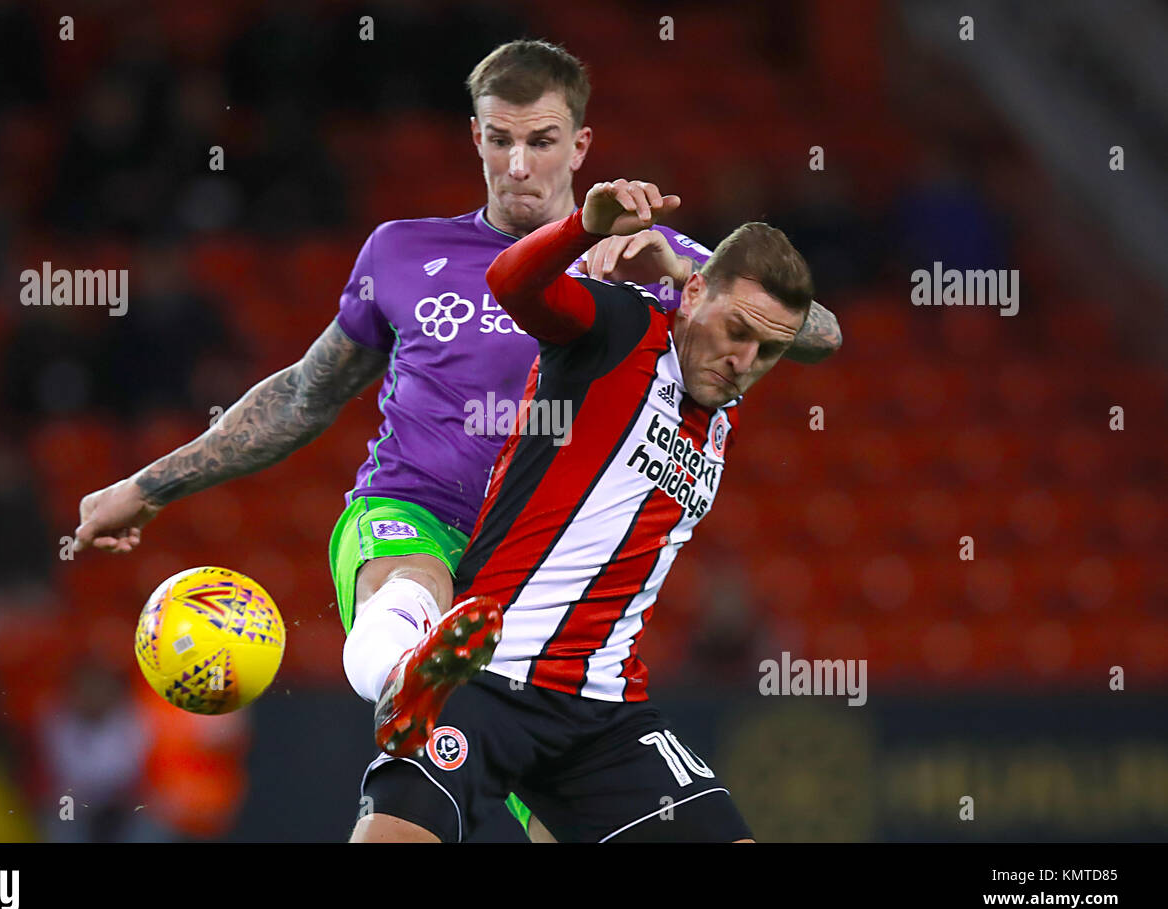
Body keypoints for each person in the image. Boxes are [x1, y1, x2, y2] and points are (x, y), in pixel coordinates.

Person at [71, 40, 840, 841]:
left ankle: (434, 682)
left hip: (524, 587)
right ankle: (410, 677)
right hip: (414, 508)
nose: (516, 165)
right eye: (498, 139)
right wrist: (149, 485)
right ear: (474, 138)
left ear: (580, 145)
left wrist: (685, 264)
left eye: (540, 142)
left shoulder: (652, 268)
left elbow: (810, 328)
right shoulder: (403, 252)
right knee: (412, 590)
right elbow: (306, 393)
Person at [352, 178, 819, 843]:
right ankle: (406, 681)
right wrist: (586, 226)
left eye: (768, 351)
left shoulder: (721, 406)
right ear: (692, 298)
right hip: (485, 669)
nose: (744, 359)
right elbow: (512, 281)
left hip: (602, 708)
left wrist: (687, 261)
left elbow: (822, 334)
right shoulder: (624, 329)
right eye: (735, 330)